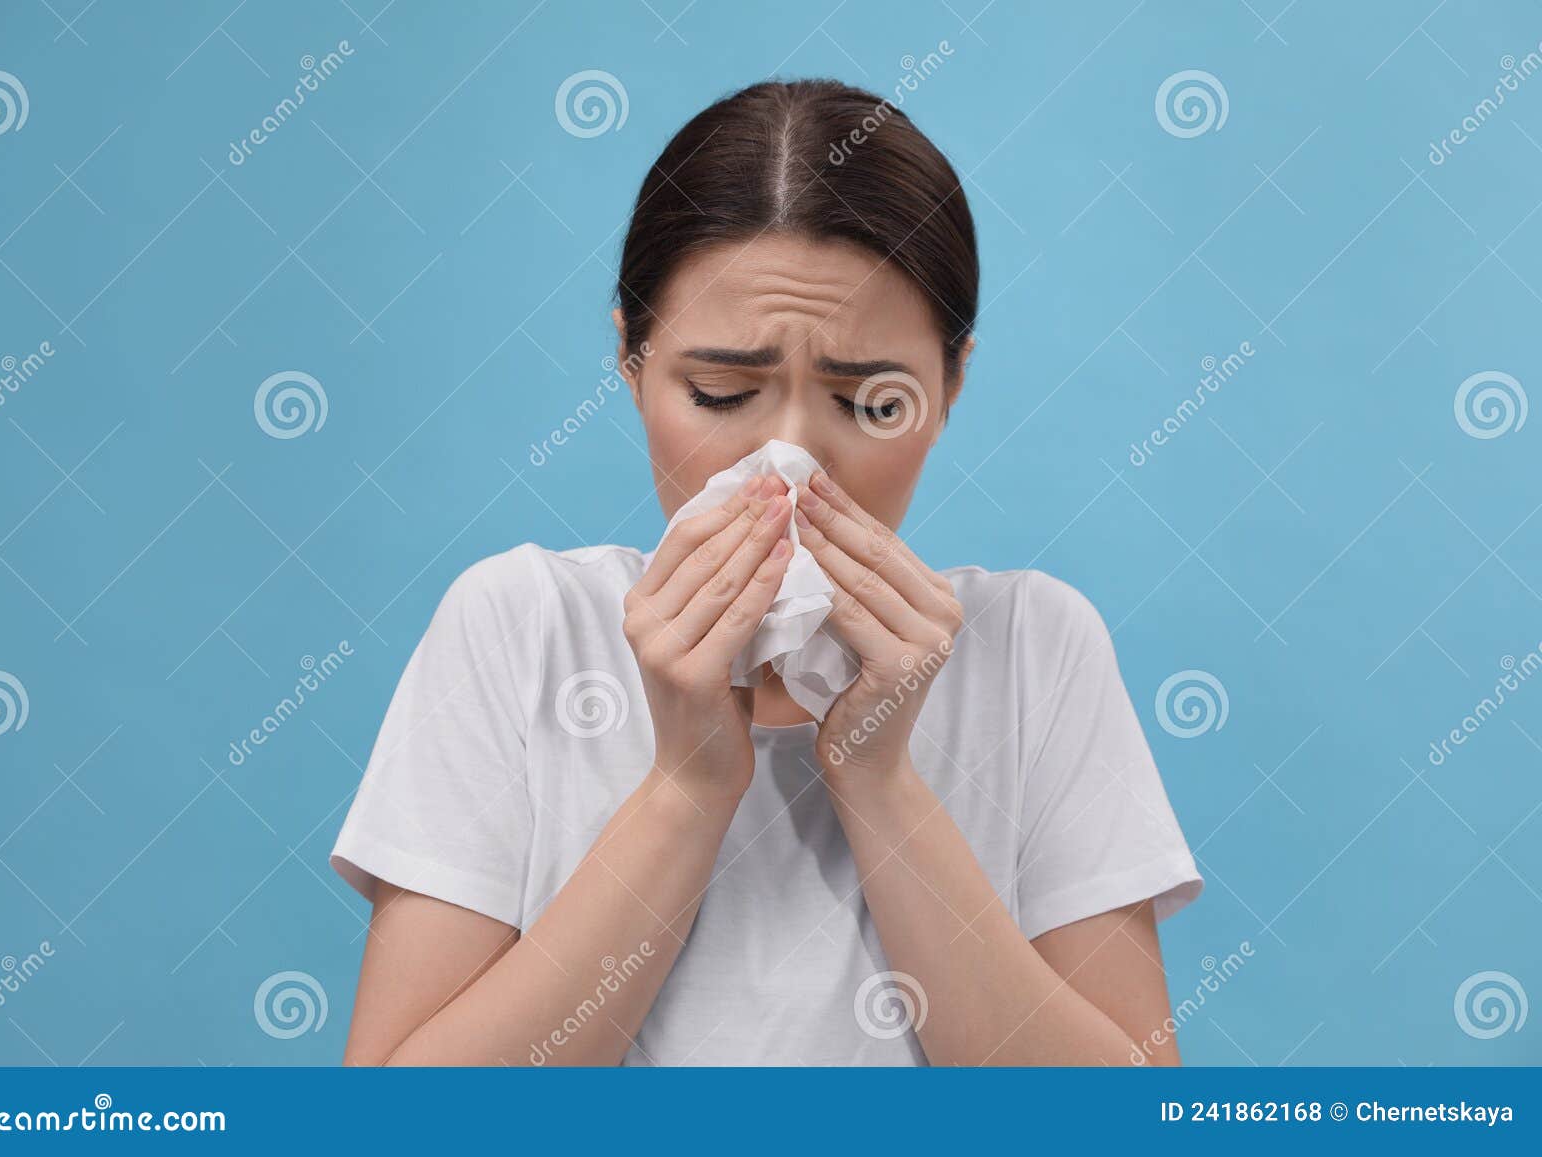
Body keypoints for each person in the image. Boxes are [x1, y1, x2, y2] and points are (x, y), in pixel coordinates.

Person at [331, 78, 1202, 1066]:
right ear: (630, 359)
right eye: (720, 391)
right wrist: (687, 788)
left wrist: (877, 778)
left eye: (871, 403)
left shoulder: (1034, 650)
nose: (790, 463)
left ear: (950, 382)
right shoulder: (520, 625)